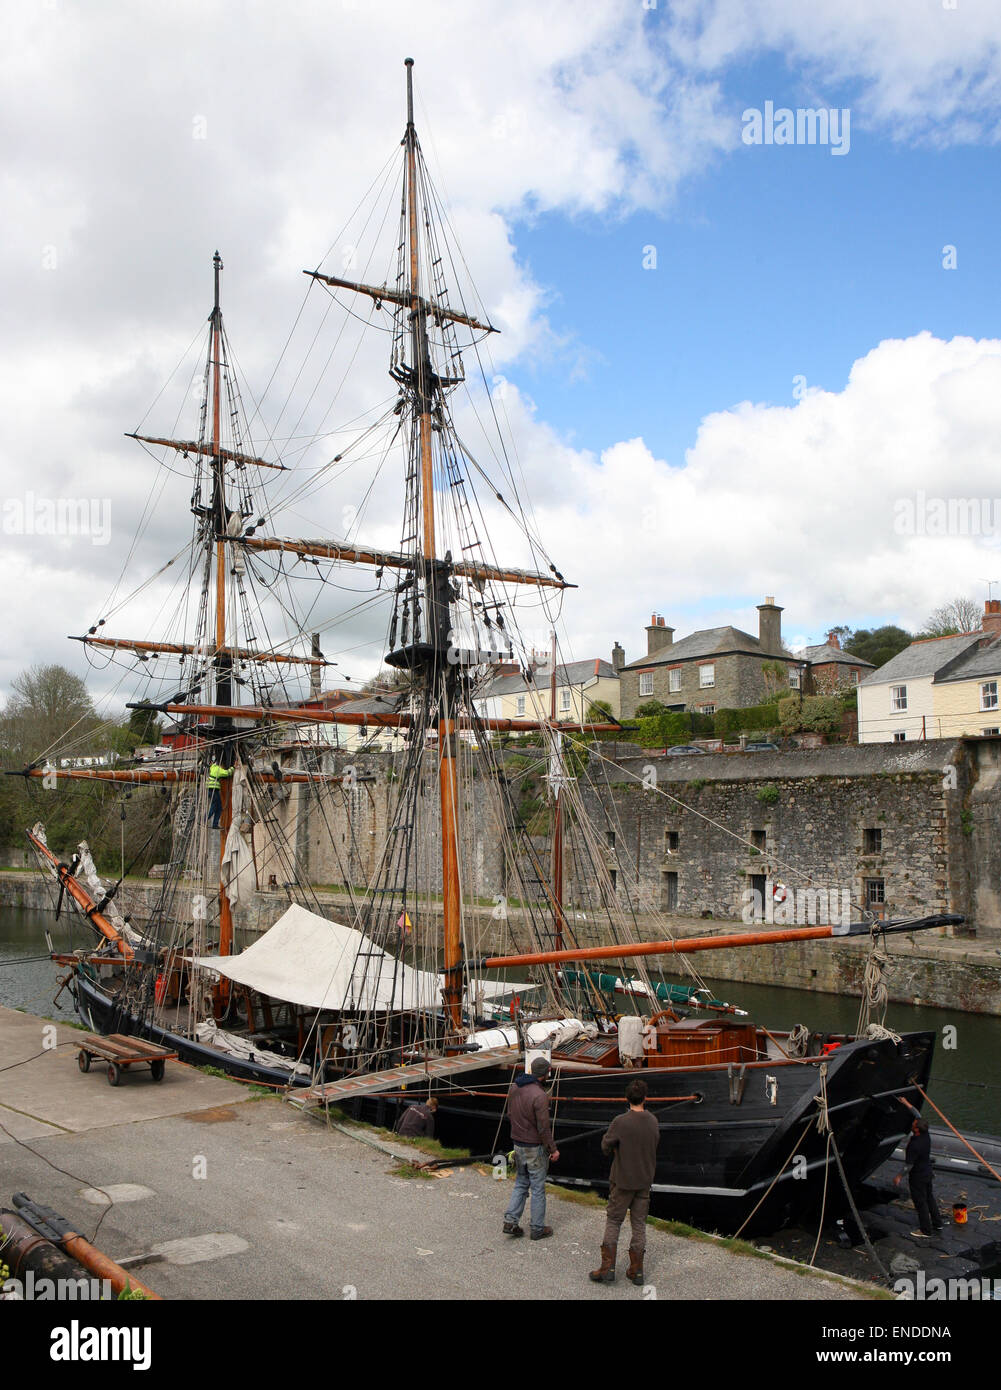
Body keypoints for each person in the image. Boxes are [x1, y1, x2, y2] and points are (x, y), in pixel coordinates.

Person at [590, 1077, 659, 1286]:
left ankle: (607, 1268)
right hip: (644, 1180)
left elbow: (605, 1146)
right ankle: (636, 1270)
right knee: (639, 1225)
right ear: (645, 1098)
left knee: (614, 1221)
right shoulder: (653, 1121)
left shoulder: (620, 1121)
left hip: (622, 1180)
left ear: (626, 1098)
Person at [502, 1057, 560, 1241]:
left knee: (521, 1182)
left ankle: (511, 1221)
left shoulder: (514, 1087)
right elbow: (543, 1128)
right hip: (534, 1147)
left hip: (518, 1143)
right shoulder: (540, 1095)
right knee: (537, 1187)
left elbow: (510, 1113)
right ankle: (537, 1228)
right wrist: (553, 1150)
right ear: (546, 1073)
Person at [894, 1113, 942, 1237]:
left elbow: (908, 1166)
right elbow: (917, 1115)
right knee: (929, 1198)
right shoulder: (926, 1135)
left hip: (918, 1177)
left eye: (913, 1125)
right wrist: (907, 1104)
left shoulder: (915, 1145)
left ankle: (925, 1230)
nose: (911, 1125)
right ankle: (938, 1223)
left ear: (916, 1129)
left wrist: (899, 1176)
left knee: (921, 1202)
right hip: (928, 1172)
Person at [206, 760, 233, 829]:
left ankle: (215, 824)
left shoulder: (211, 768)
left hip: (211, 790)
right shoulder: (217, 769)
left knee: (219, 808)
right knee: (214, 806)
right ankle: (204, 819)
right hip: (213, 790)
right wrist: (233, 767)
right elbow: (227, 773)